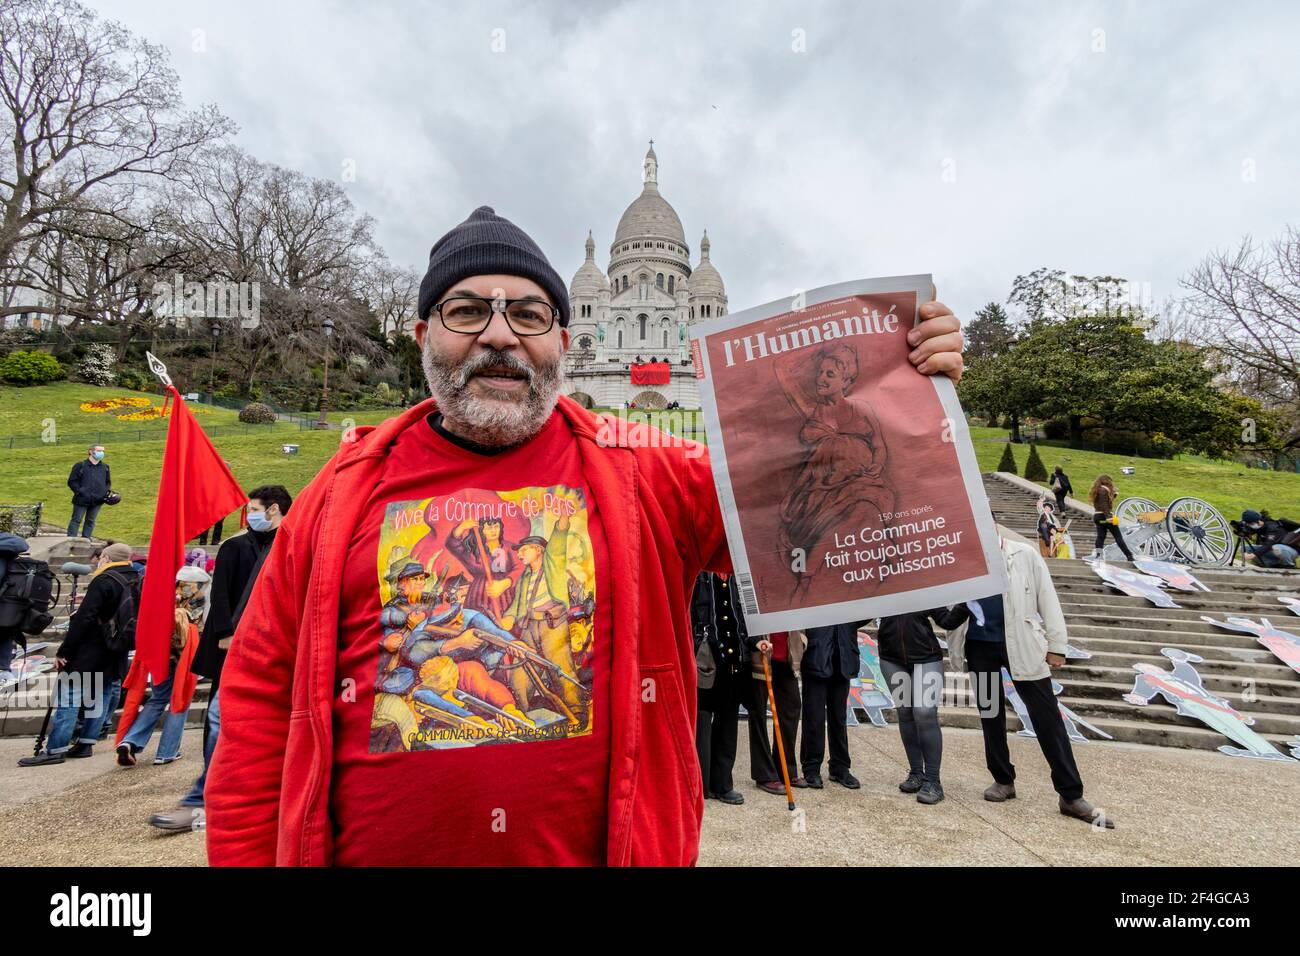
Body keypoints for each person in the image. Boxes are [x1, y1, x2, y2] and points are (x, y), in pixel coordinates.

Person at [204, 205, 965, 866]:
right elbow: (261, 706)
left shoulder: (653, 471)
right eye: (468, 312)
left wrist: (900, 379)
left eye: (528, 316)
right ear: (421, 333)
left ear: (563, 339)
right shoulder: (340, 493)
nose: (500, 337)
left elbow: (810, 489)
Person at [945, 528, 1115, 827]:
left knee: (1047, 718)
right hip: (979, 646)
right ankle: (1003, 779)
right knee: (991, 715)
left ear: (992, 525)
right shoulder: (961, 557)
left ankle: (1070, 794)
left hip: (1021, 643)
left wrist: (1057, 644)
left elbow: (1046, 598)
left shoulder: (1024, 554)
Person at [148, 486, 290, 832]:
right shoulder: (234, 546)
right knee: (217, 717)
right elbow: (221, 595)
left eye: (254, 508)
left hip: (276, 646)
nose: (249, 514)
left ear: (272, 509)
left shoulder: (292, 542)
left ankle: (248, 795)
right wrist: (225, 634)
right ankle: (205, 798)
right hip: (234, 645)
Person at [18, 543, 137, 766]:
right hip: (115, 649)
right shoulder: (135, 579)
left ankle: (56, 748)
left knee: (70, 697)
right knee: (99, 697)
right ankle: (86, 743)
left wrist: (65, 650)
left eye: (102, 557)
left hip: (89, 649)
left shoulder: (104, 579)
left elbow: (85, 619)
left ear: (107, 558)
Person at [115, 565, 209, 766]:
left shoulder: (166, 599)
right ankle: (167, 751)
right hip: (185, 657)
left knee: (157, 699)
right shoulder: (197, 602)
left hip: (161, 655)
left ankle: (130, 740)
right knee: (179, 701)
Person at [876, 609, 960, 805]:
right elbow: (861, 613)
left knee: (924, 712)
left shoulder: (922, 581)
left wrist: (967, 602)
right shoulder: (880, 582)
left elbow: (946, 620)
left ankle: (933, 781)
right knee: (905, 712)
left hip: (926, 656)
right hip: (890, 657)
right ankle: (916, 773)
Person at [690, 572, 747, 805]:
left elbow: (743, 615)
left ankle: (723, 784)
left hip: (732, 660)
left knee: (728, 718)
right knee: (701, 719)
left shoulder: (736, 578)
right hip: (705, 657)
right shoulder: (699, 576)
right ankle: (699, 783)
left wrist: (753, 642)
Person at [800, 619, 868, 789]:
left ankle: (840, 767)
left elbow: (864, 614)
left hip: (844, 653)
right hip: (816, 652)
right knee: (813, 717)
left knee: (839, 717)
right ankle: (811, 768)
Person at [745, 629, 805, 794]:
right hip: (760, 654)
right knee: (758, 714)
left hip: (787, 655)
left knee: (791, 708)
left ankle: (785, 768)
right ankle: (764, 774)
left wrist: (802, 640)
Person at [66, 444, 112, 538]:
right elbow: (72, 481)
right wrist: (80, 491)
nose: (101, 453)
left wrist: (104, 493)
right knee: (76, 519)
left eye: (102, 451)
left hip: (98, 500)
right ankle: (71, 539)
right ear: (91, 451)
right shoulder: (80, 465)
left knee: (91, 521)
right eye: (99, 450)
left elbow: (107, 482)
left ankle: (86, 539)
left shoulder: (105, 467)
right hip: (82, 499)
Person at [1089, 473, 1133, 561]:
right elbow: (1104, 505)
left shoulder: (1097, 490)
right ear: (1107, 482)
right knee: (1118, 537)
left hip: (1098, 517)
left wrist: (1114, 494)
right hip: (1105, 517)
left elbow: (1104, 502)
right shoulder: (1103, 490)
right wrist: (1109, 517)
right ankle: (1129, 556)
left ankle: (1099, 555)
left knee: (1100, 537)